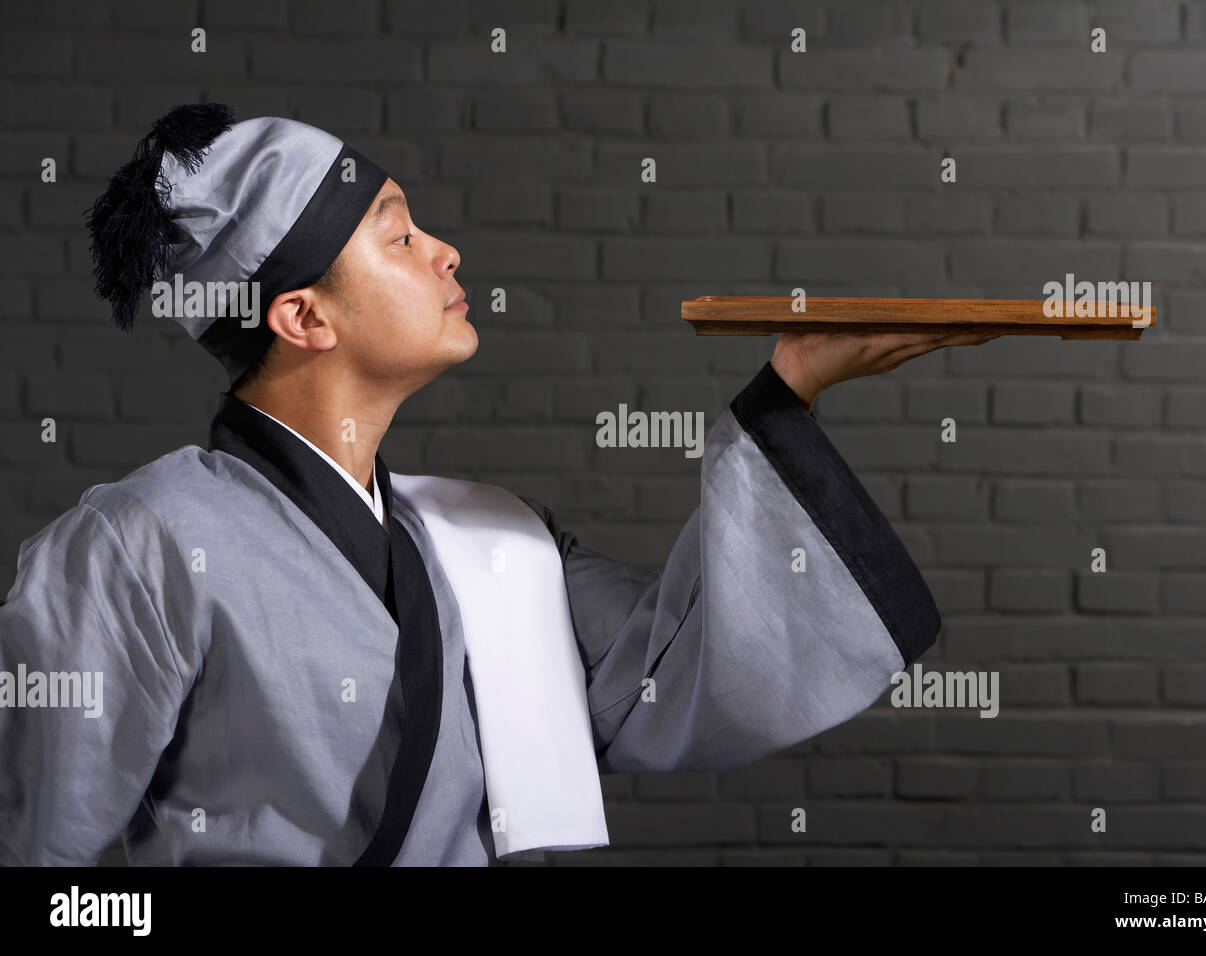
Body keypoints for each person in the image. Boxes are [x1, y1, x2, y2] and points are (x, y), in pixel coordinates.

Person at [0, 103, 994, 866]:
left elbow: (676, 681)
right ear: (304, 318)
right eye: (397, 236)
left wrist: (790, 387)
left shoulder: (486, 539)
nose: (444, 250)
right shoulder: (134, 546)